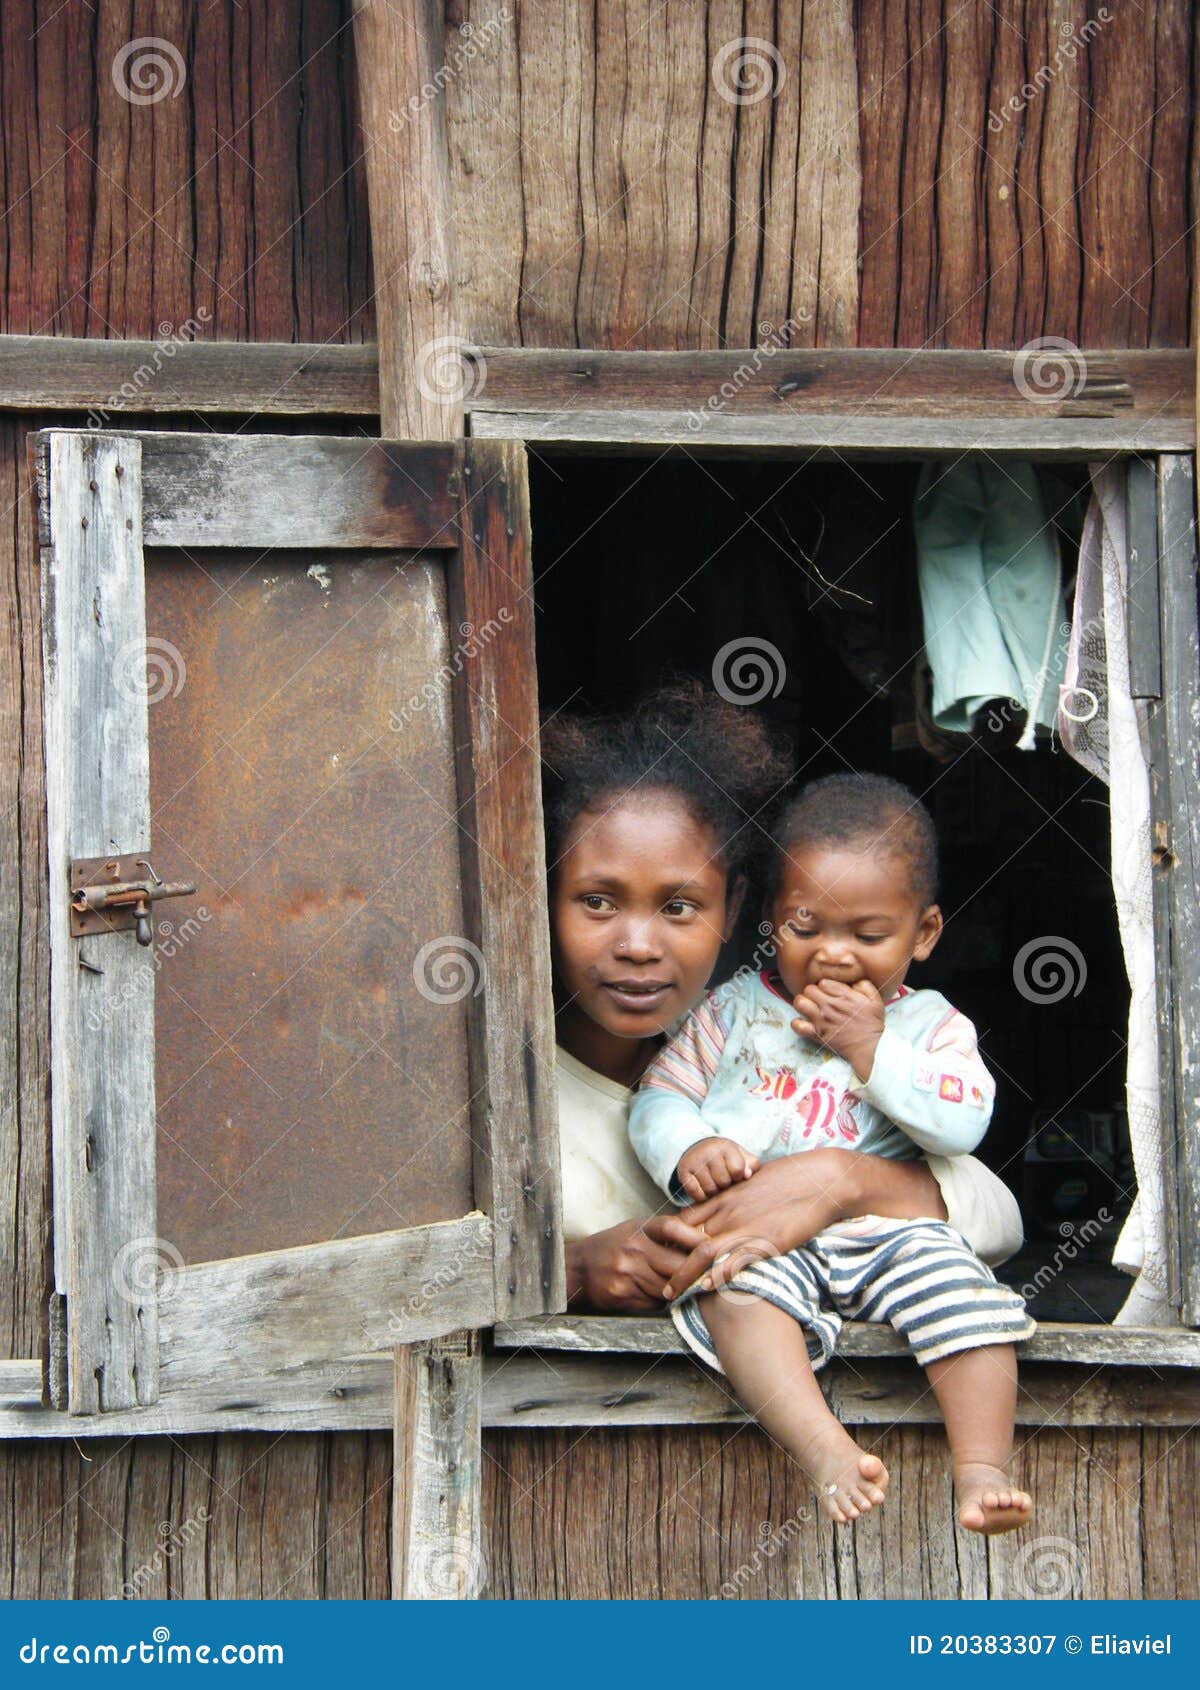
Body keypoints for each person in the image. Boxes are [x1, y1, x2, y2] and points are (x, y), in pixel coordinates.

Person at [628, 772, 1036, 1534]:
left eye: (869, 937)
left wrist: (874, 1049)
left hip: (889, 1234)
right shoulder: (732, 1011)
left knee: (967, 1294)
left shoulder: (932, 1027)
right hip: (759, 1236)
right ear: (770, 922)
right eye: (805, 928)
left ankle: (982, 1468)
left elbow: (964, 1122)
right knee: (730, 1293)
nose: (834, 956)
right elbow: (657, 1098)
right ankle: (823, 1449)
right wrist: (691, 1147)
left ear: (924, 934)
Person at [542, 683, 1023, 1323]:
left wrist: (836, 1182)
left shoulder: (753, 1032)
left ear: (733, 910)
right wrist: (571, 1271)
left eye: (679, 907)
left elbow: (1000, 1217)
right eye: (597, 901)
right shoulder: (504, 1089)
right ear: (543, 899)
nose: (638, 946)